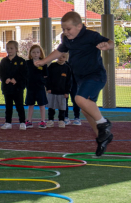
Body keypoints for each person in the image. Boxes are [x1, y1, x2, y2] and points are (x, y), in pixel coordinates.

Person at [36, 11, 115, 156]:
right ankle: (102, 137)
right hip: (81, 79)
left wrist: (107, 46)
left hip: (95, 76)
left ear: (79, 26)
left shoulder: (91, 36)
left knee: (79, 99)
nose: (65, 32)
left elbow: (110, 42)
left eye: (68, 29)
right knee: (86, 109)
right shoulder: (67, 39)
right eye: (63, 29)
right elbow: (59, 51)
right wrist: (43, 61)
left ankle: (104, 123)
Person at [0, 40, 27, 130]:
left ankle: (22, 122)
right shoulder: (4, 61)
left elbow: (24, 73)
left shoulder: (21, 61)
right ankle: (8, 122)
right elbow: (0, 71)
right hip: (7, 88)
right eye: (8, 48)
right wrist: (5, 79)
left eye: (11, 48)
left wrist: (16, 80)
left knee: (19, 105)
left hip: (18, 88)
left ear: (16, 49)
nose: (9, 50)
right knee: (8, 106)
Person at [46, 52, 73, 128]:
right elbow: (48, 78)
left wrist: (67, 92)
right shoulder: (52, 66)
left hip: (62, 92)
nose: (61, 58)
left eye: (63, 57)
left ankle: (61, 120)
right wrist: (48, 88)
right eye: (60, 56)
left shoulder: (67, 68)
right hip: (52, 91)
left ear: (66, 58)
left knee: (62, 107)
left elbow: (69, 81)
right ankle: (50, 120)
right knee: (51, 107)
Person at [25, 44, 49, 129]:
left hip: (40, 88)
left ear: (40, 53)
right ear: (30, 53)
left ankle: (43, 121)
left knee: (42, 105)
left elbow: (46, 76)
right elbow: (24, 74)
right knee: (30, 105)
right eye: (33, 52)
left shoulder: (43, 63)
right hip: (30, 88)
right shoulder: (27, 63)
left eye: (37, 52)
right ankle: (29, 121)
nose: (36, 54)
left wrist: (44, 84)